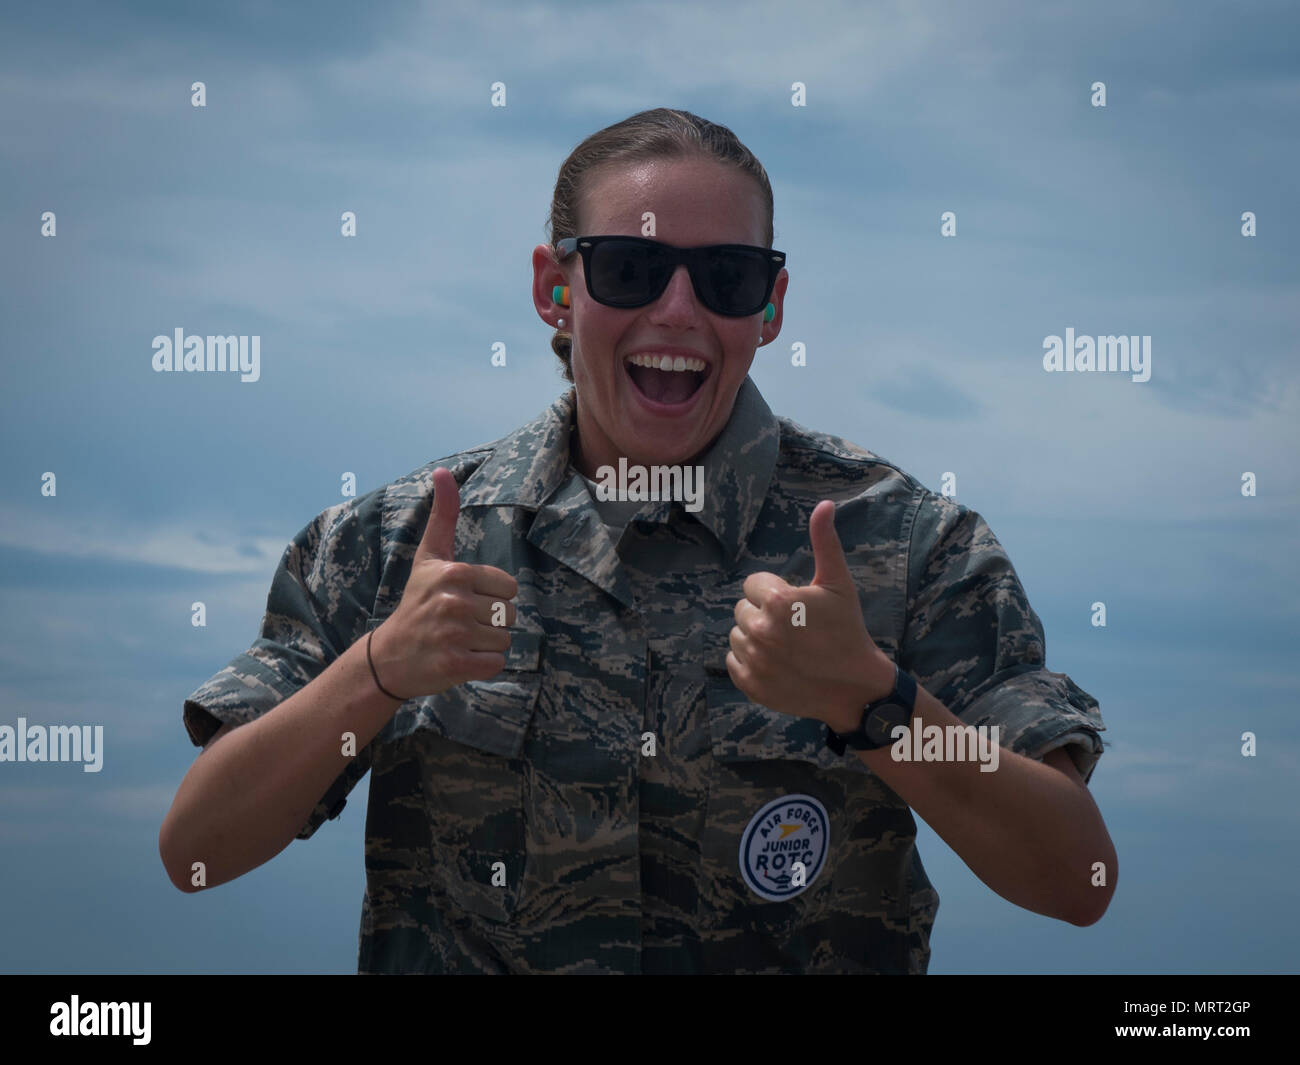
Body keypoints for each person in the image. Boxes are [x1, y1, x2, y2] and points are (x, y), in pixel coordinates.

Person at [159, 108, 1116, 974]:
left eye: (728, 278)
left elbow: (1079, 880)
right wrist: (377, 672)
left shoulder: (909, 545)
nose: (677, 311)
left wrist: (874, 702)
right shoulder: (393, 545)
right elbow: (195, 850)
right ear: (554, 289)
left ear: (772, 307)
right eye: (630, 267)